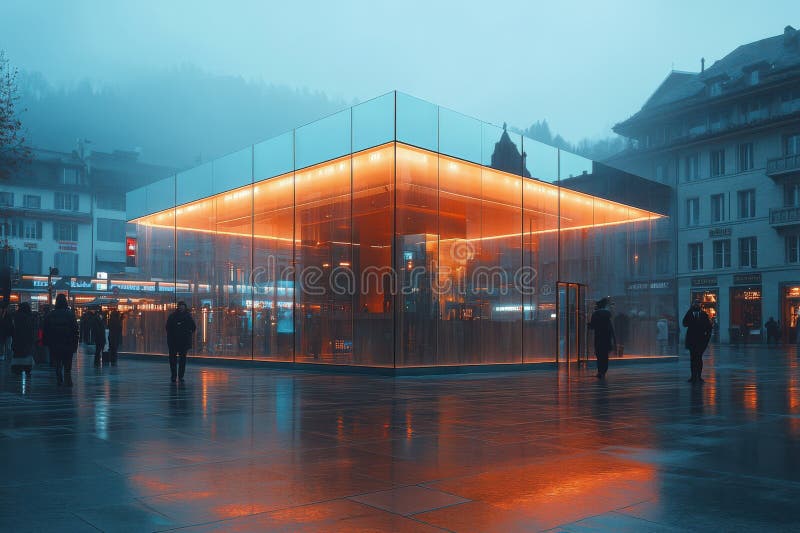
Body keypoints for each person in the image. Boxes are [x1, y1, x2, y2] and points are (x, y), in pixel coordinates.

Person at [43, 294, 79, 387]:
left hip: (55, 343)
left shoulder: (51, 314)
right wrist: (75, 344)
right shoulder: (70, 314)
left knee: (57, 361)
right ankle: (68, 380)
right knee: (67, 362)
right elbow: (75, 330)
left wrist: (47, 342)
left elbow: (46, 330)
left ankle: (59, 379)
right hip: (68, 343)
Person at [682, 299, 713, 383]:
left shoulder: (704, 314)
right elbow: (684, 323)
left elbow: (709, 327)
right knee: (693, 359)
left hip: (701, 341)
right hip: (692, 341)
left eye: (698, 303)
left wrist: (707, 338)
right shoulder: (689, 313)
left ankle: (699, 376)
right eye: (695, 303)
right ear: (693, 305)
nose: (696, 305)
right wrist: (689, 312)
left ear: (700, 305)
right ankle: (693, 376)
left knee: (699, 358)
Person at [165, 301, 196, 383]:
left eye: (182, 307)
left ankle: (176, 376)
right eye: (181, 306)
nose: (181, 308)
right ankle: (178, 376)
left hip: (176, 341)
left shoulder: (173, 316)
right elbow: (193, 327)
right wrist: (188, 332)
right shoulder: (187, 316)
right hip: (180, 341)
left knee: (175, 359)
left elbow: (167, 328)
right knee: (180, 359)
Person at [588, 297, 616, 379]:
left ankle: (600, 371)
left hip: (599, 337)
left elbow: (592, 326)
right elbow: (610, 327)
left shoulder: (595, 314)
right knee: (605, 355)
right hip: (607, 337)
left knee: (599, 354)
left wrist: (588, 324)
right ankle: (604, 371)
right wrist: (613, 339)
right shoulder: (608, 314)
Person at [10, 302, 36, 376]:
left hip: (17, 340)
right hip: (27, 340)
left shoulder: (16, 317)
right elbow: (31, 330)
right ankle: (27, 369)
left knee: (17, 355)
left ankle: (17, 369)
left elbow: (12, 329)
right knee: (27, 354)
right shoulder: (30, 317)